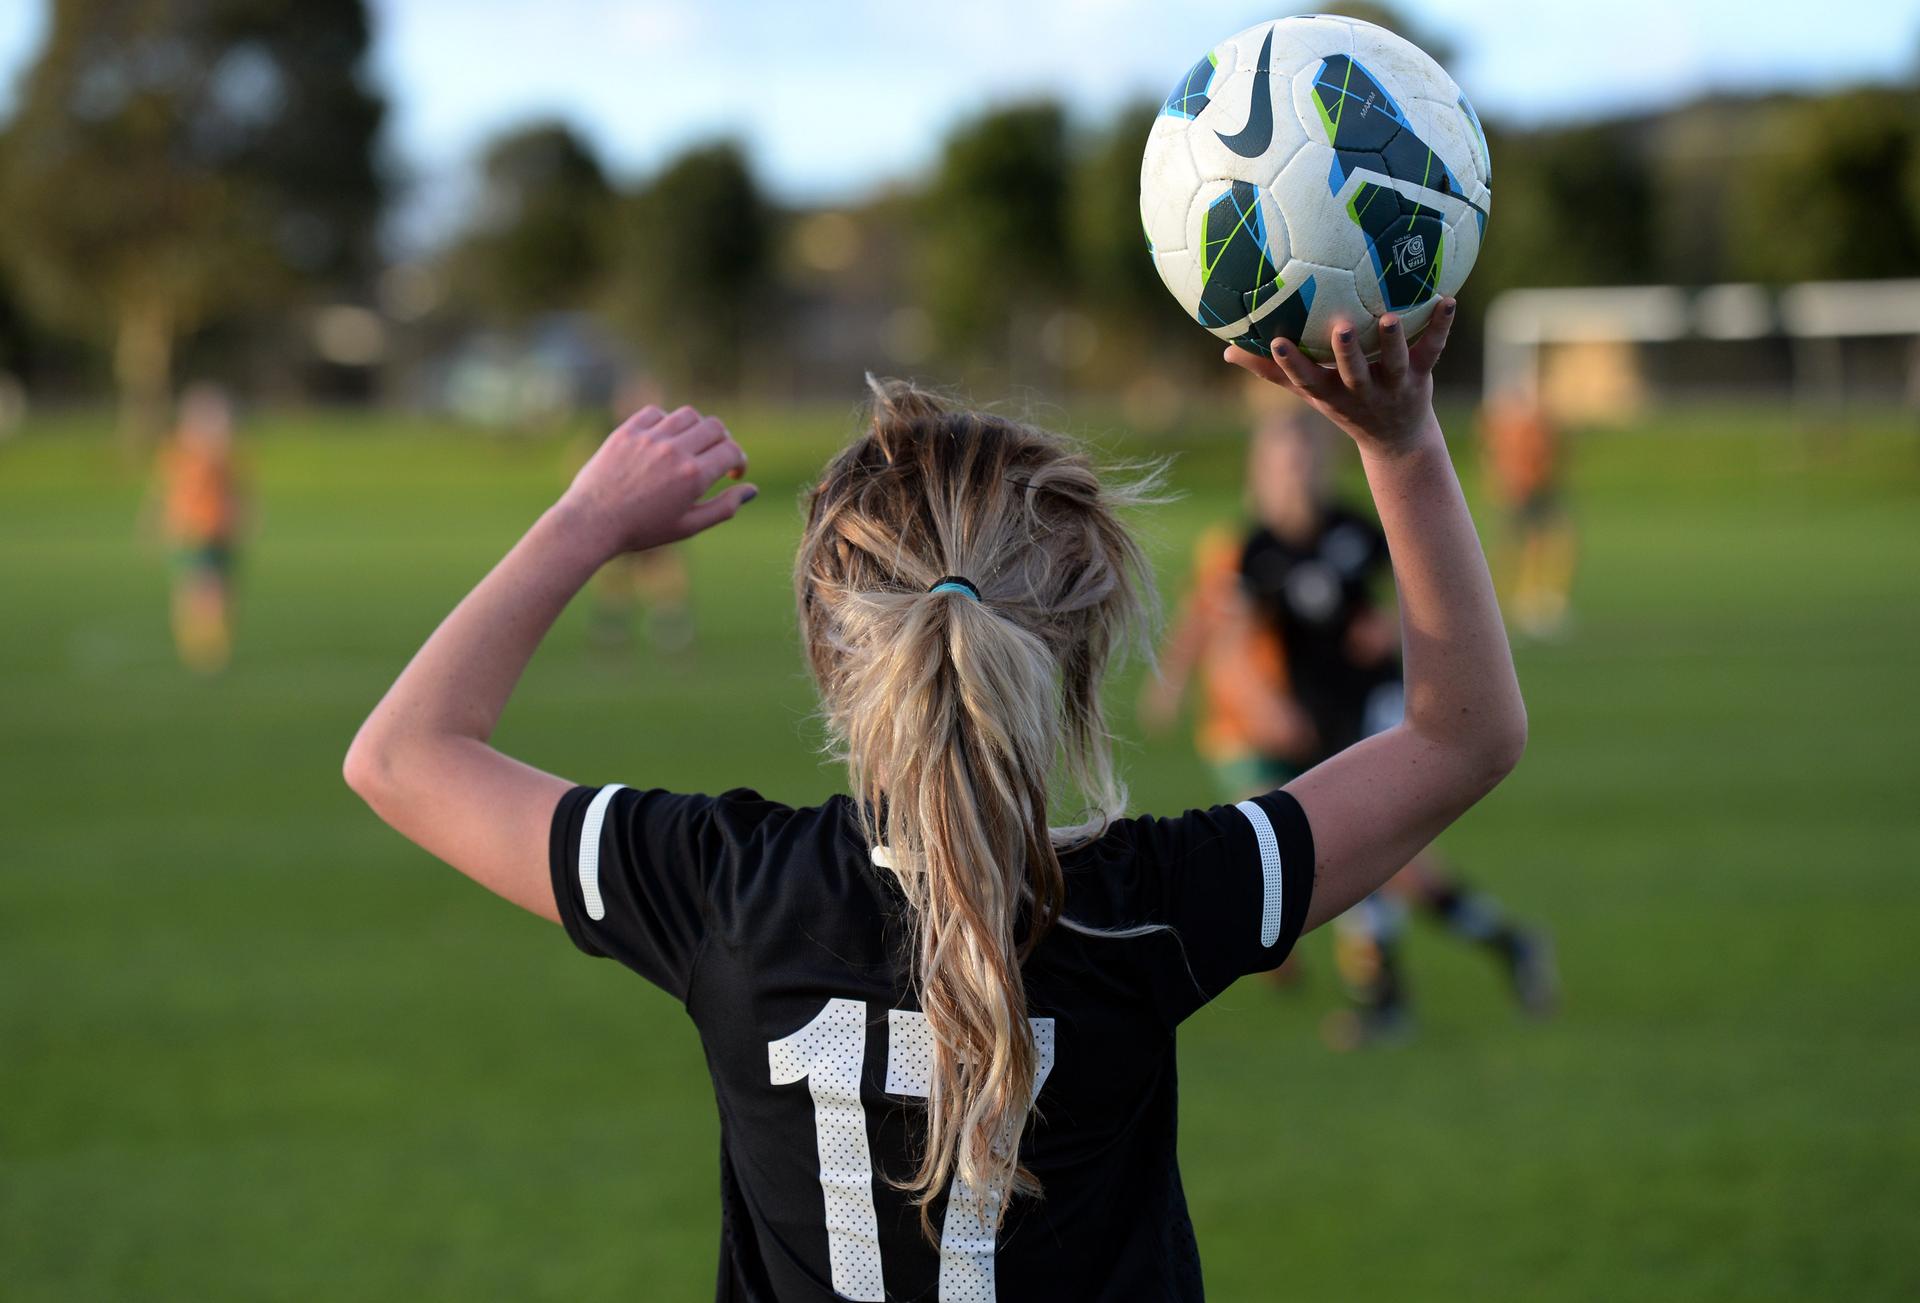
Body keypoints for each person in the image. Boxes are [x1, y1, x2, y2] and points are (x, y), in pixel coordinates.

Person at [344, 302, 1528, 1299]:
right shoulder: (1149, 907)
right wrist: (1402, 444)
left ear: (830, 651)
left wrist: (585, 521)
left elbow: (401, 757)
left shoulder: (729, 895)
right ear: (1080, 651)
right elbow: (1462, 735)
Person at [1148, 400, 1556, 1046]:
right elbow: (1227, 628)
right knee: (1384, 864)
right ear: (1260, 471)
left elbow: (1421, 582)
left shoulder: (1350, 528)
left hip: (1383, 708)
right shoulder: (1256, 548)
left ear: (1320, 465)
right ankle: (1499, 947)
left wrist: (1392, 625)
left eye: (1301, 462)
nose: (1291, 476)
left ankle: (1385, 998)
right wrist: (1248, 700)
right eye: (1279, 464)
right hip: (1321, 722)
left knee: (1368, 854)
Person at [145, 384, 247, 674]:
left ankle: (210, 644)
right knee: (198, 587)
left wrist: (241, 516)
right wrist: (155, 522)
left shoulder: (224, 452)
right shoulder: (179, 451)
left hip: (219, 530)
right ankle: (201, 649)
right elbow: (164, 490)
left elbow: (237, 490)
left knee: (220, 589)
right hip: (191, 532)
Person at [1480, 387, 1576, 640]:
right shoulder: (1512, 429)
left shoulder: (1535, 425)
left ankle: (1535, 599)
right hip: (1522, 493)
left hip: (1538, 491)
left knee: (1547, 543)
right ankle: (1513, 601)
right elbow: (1503, 460)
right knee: (1515, 548)